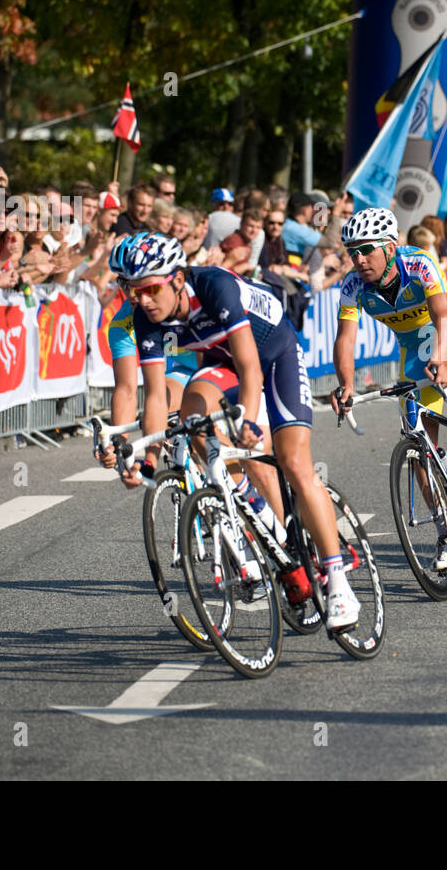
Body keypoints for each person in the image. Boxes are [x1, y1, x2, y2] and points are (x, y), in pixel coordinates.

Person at [112, 234, 359, 630]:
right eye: (131, 291)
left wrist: (245, 419)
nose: (142, 300)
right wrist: (149, 460)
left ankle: (339, 582)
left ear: (177, 279)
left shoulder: (214, 285)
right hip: (222, 361)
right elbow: (155, 397)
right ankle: (253, 511)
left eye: (150, 289)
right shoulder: (144, 316)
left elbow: (250, 366)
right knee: (192, 415)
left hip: (273, 354)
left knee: (294, 462)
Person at [331, 208, 447, 508]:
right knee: (417, 442)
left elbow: (442, 313)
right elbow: (345, 338)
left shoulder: (418, 262)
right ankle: (444, 531)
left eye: (365, 251)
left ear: (388, 246)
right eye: (352, 252)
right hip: (412, 346)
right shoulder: (352, 284)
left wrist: (441, 356)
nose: (358, 260)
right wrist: (346, 384)